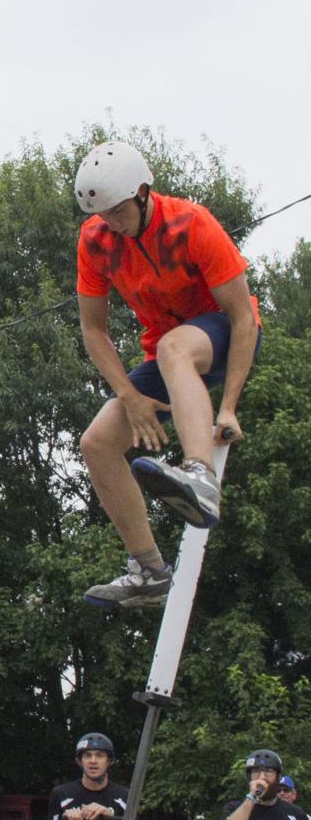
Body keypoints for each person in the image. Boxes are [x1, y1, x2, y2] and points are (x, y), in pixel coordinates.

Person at [73, 141, 262, 608]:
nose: (112, 224)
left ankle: (199, 475)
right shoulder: (96, 241)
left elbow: (243, 319)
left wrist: (229, 406)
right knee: (96, 443)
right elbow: (94, 331)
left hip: (221, 332)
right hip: (167, 351)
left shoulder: (191, 224)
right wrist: (130, 397)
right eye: (103, 216)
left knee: (177, 346)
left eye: (118, 212)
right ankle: (149, 572)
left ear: (142, 192)